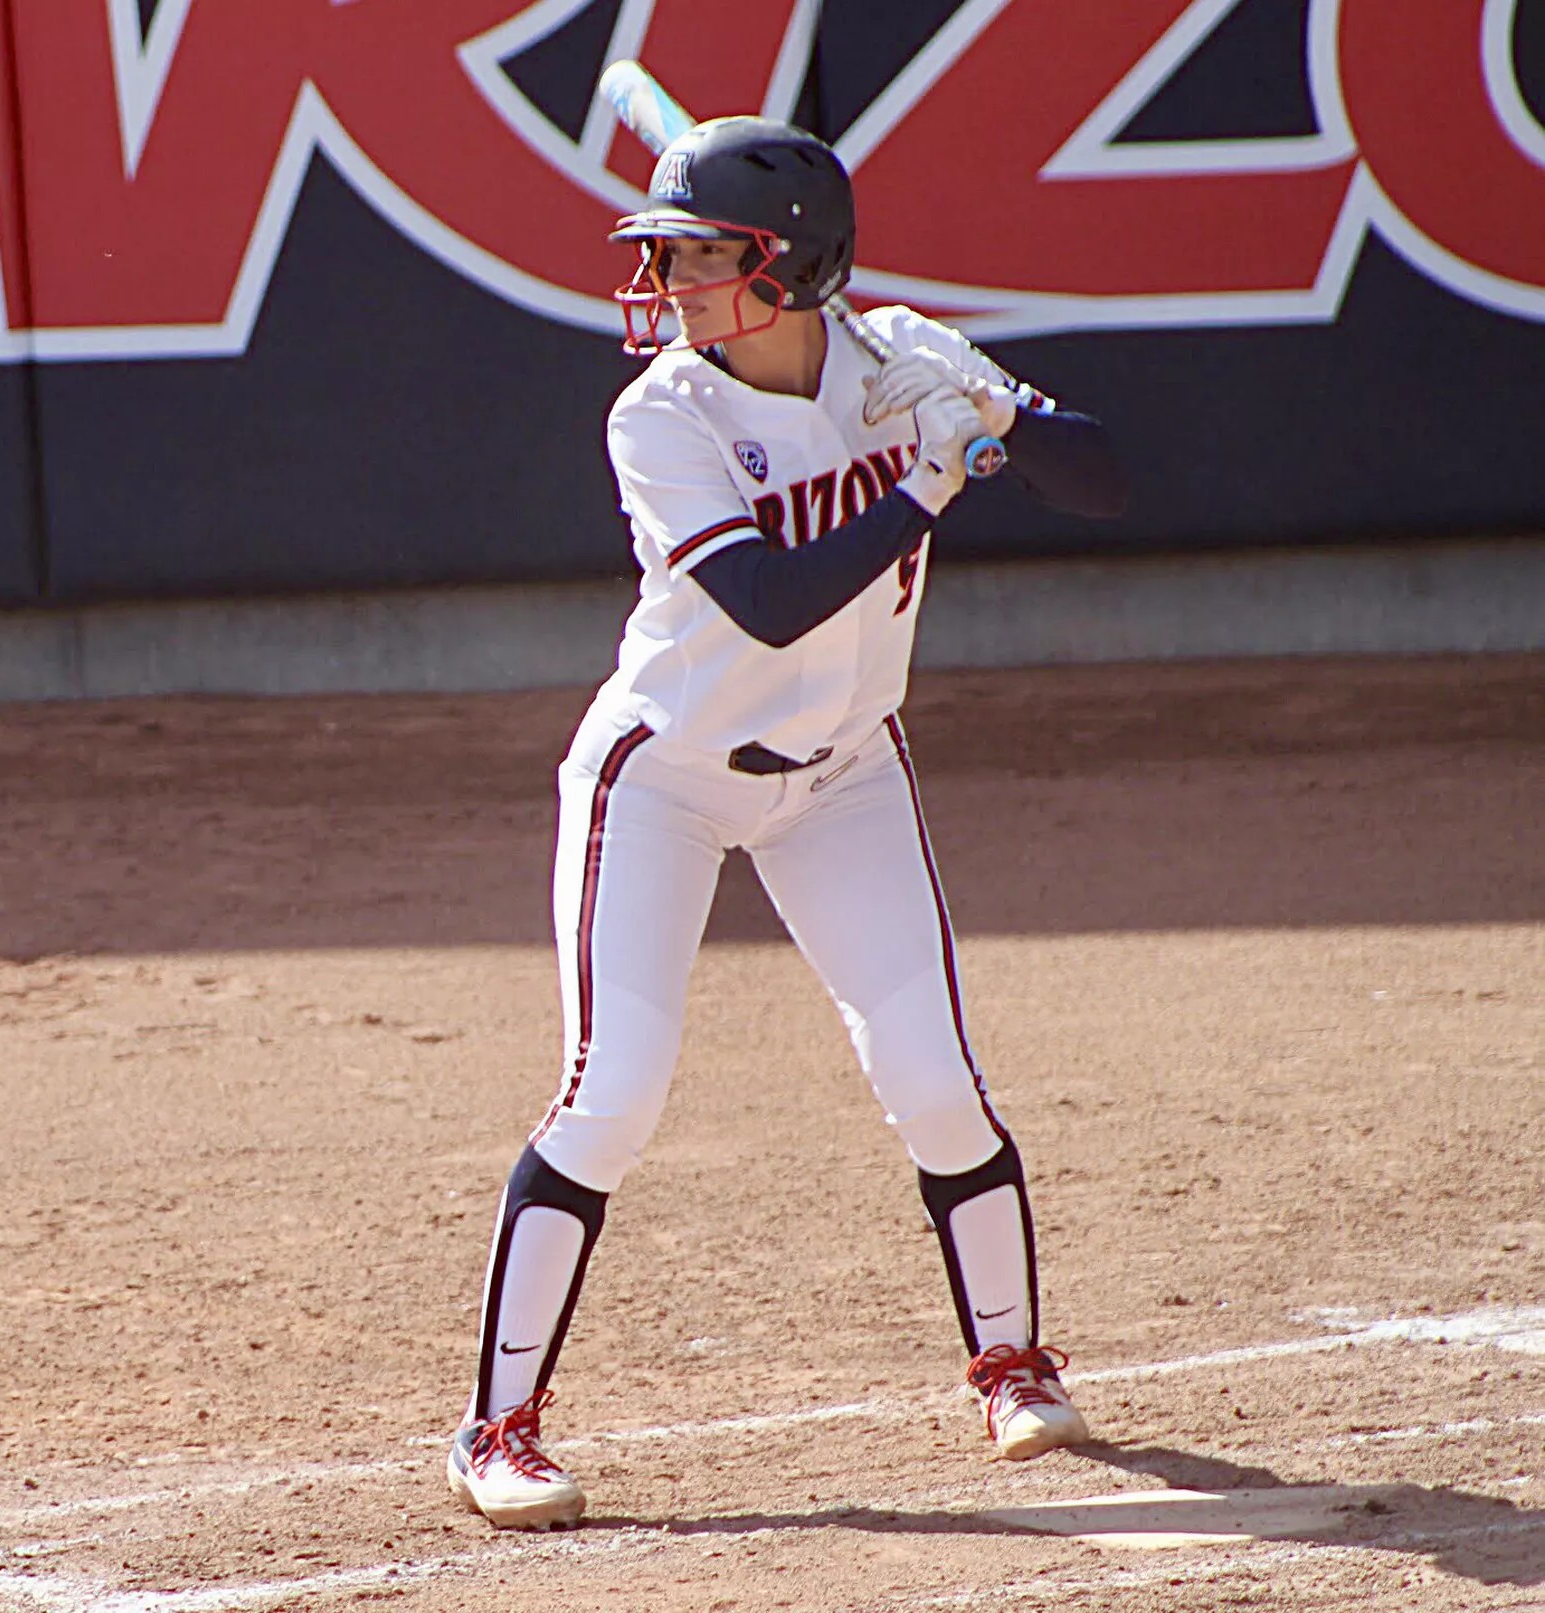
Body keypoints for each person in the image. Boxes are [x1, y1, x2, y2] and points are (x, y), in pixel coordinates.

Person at [445, 115, 1130, 1532]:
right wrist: (930, 482)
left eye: (706, 255)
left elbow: (1107, 479)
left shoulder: (901, 355)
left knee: (936, 1080)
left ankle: (1013, 1363)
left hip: (846, 772)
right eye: (670, 255)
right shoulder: (661, 417)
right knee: (614, 1090)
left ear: (794, 264)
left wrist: (999, 419)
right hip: (667, 775)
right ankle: (494, 1428)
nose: (673, 283)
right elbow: (766, 602)